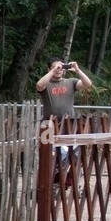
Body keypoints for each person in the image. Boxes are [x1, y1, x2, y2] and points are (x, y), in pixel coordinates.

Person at [35, 59, 93, 189]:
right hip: (49, 124)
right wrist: (52, 72)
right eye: (55, 67)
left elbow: (87, 84)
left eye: (61, 67)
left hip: (69, 124)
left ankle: (66, 181)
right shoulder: (47, 83)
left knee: (72, 153)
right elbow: (39, 85)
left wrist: (77, 70)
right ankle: (49, 181)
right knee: (49, 154)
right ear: (49, 69)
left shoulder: (70, 82)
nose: (59, 69)